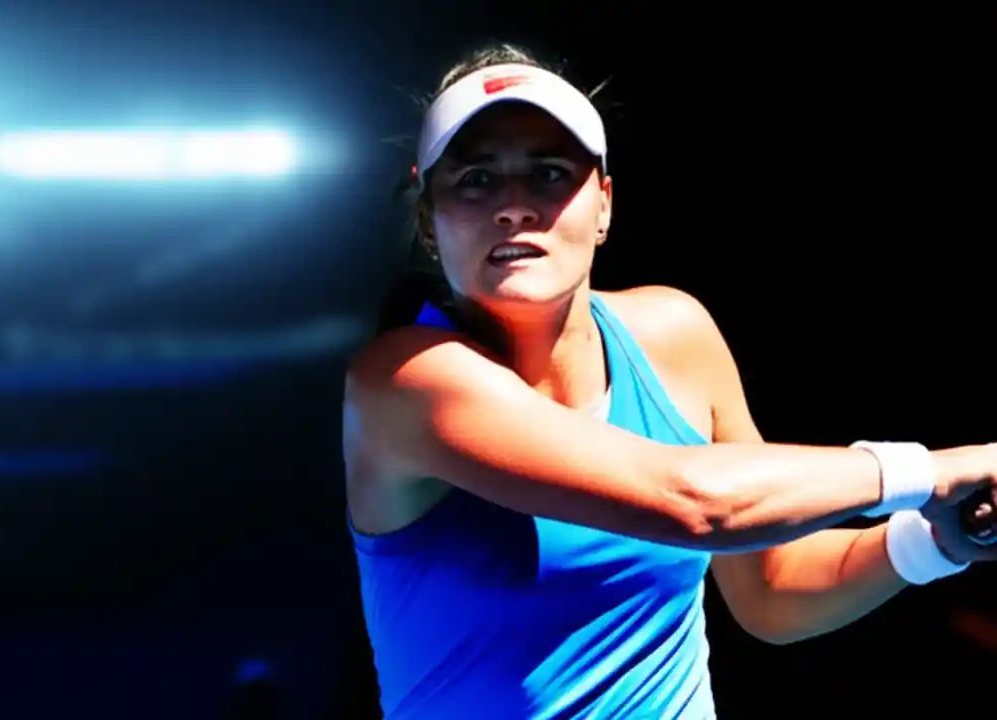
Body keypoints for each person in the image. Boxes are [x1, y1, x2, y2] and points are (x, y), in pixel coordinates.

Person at [342, 42, 997, 720]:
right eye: (476, 179)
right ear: (427, 220)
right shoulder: (402, 383)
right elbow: (693, 505)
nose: (513, 207)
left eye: (548, 173)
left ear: (603, 204)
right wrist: (943, 469)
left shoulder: (675, 333)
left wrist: (933, 542)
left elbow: (770, 585)